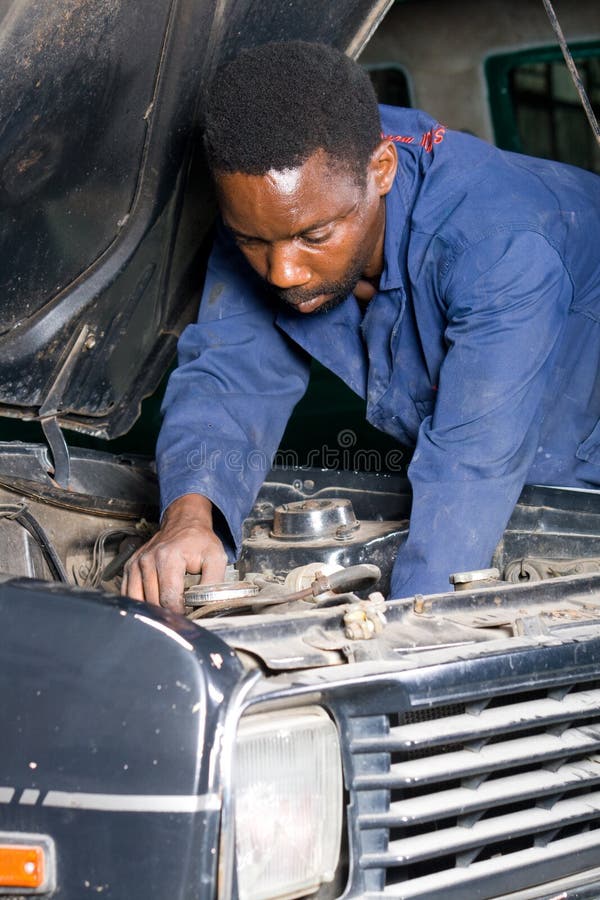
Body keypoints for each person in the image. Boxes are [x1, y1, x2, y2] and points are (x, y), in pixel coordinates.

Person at [121, 40, 600, 612]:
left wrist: (409, 641)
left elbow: (469, 466)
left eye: (314, 237)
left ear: (381, 170)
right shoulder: (276, 204)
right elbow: (229, 376)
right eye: (253, 242)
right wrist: (190, 518)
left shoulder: (499, 245)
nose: (282, 271)